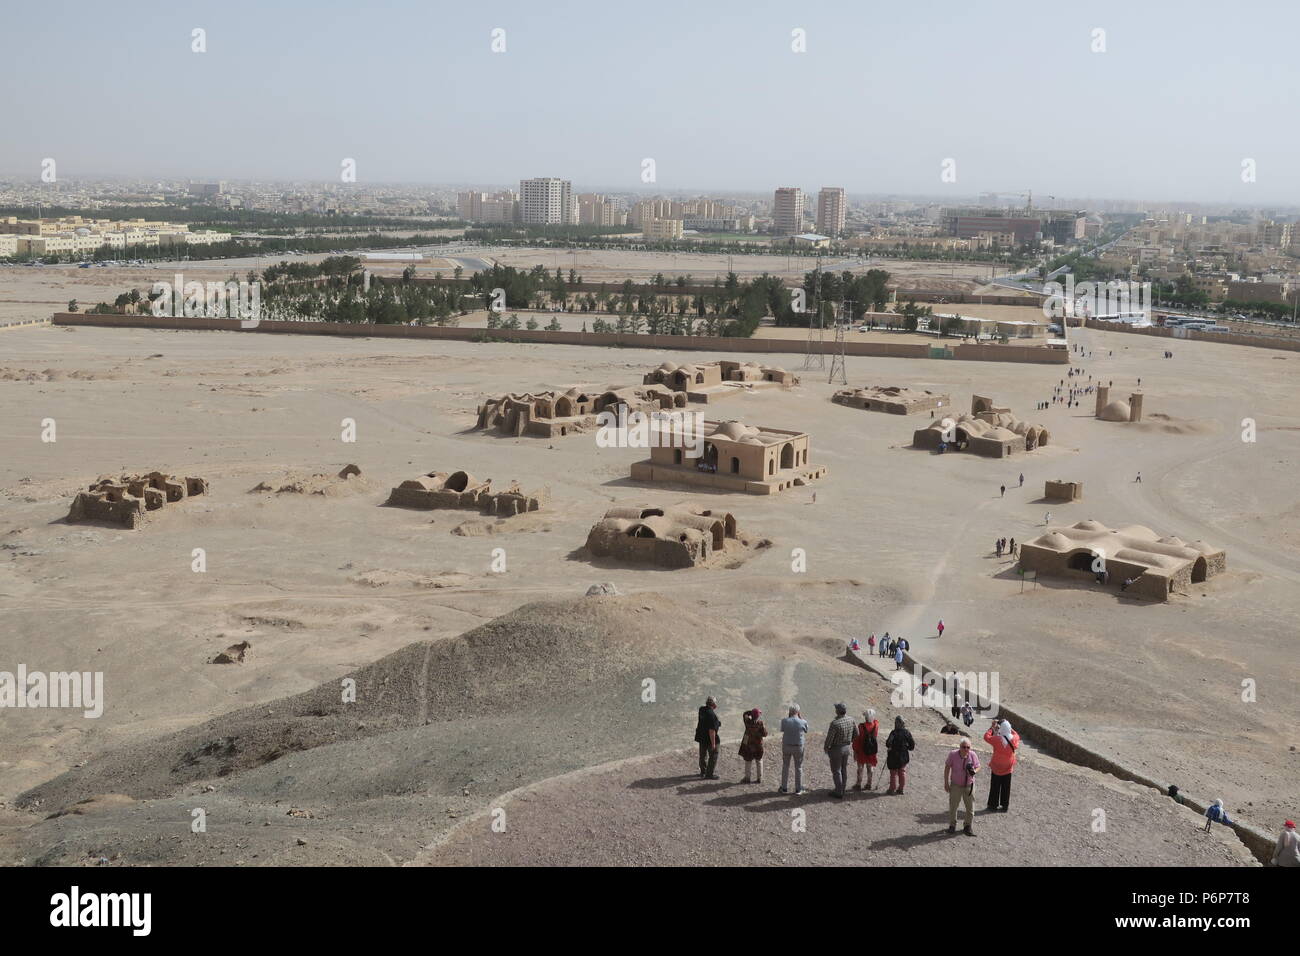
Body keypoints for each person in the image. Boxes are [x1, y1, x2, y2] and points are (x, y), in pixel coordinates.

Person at [945, 737, 981, 835]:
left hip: (969, 785)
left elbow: (978, 766)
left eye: (968, 747)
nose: (966, 749)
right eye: (963, 747)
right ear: (959, 746)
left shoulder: (973, 755)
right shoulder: (953, 754)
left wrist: (974, 771)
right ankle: (952, 825)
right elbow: (947, 767)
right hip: (956, 784)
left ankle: (967, 826)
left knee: (970, 807)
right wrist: (946, 783)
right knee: (953, 806)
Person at [984, 718, 1020, 812]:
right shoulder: (1014, 739)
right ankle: (1005, 806)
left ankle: (993, 805)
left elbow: (986, 737)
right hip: (1008, 766)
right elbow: (1016, 734)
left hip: (996, 766)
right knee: (1006, 786)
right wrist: (1009, 728)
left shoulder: (996, 739)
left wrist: (992, 728)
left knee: (995, 785)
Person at [824, 703, 856, 799]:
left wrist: (826, 748)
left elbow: (829, 738)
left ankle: (838, 791)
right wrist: (850, 740)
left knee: (836, 770)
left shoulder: (835, 723)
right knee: (843, 768)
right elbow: (857, 733)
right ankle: (843, 788)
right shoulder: (851, 720)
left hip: (836, 749)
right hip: (846, 748)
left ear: (837, 711)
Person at [779, 704, 809, 794]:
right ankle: (798, 788)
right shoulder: (803, 722)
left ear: (789, 711)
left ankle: (784, 787)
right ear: (798, 712)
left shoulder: (784, 721)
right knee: (798, 767)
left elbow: (782, 730)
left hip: (787, 746)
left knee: (785, 766)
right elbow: (806, 730)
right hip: (798, 747)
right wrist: (801, 718)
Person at [884, 715, 915, 795]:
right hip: (903, 756)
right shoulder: (907, 732)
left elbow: (888, 743)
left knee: (893, 773)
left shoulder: (893, 733)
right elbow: (912, 745)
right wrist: (906, 747)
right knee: (902, 771)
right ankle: (901, 789)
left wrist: (891, 747)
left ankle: (892, 789)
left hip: (893, 755)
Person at [852, 708, 879, 791]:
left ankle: (858, 784)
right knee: (870, 767)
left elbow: (857, 739)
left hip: (861, 750)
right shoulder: (876, 725)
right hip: (871, 750)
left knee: (860, 768)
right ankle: (869, 784)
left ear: (866, 717)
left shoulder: (861, 726)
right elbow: (876, 721)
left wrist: (855, 750)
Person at [694, 696, 721, 779]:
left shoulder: (701, 709)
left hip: (701, 737)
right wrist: (713, 744)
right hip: (709, 739)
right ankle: (709, 774)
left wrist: (717, 722)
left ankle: (703, 771)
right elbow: (711, 731)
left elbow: (705, 722)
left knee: (702, 755)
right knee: (713, 755)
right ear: (713, 704)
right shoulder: (712, 715)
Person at [738, 707, 767, 784]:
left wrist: (750, 712)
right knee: (759, 761)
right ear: (758, 716)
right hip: (758, 745)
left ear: (752, 715)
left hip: (749, 745)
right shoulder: (760, 723)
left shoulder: (747, 722)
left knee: (748, 761)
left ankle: (747, 778)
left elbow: (744, 714)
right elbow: (765, 734)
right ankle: (759, 778)